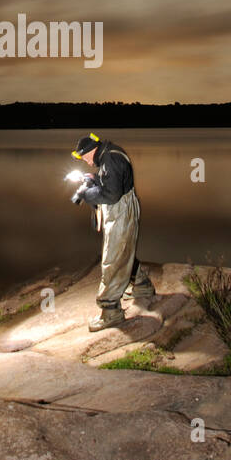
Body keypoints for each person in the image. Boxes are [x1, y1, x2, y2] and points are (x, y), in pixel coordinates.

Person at [69, 133, 156, 331]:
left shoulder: (110, 159)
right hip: (122, 207)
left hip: (120, 210)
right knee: (124, 250)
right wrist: (95, 179)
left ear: (91, 151)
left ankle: (110, 311)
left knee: (113, 258)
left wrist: (85, 193)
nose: (85, 161)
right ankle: (142, 286)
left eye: (84, 157)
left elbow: (110, 194)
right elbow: (111, 183)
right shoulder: (109, 154)